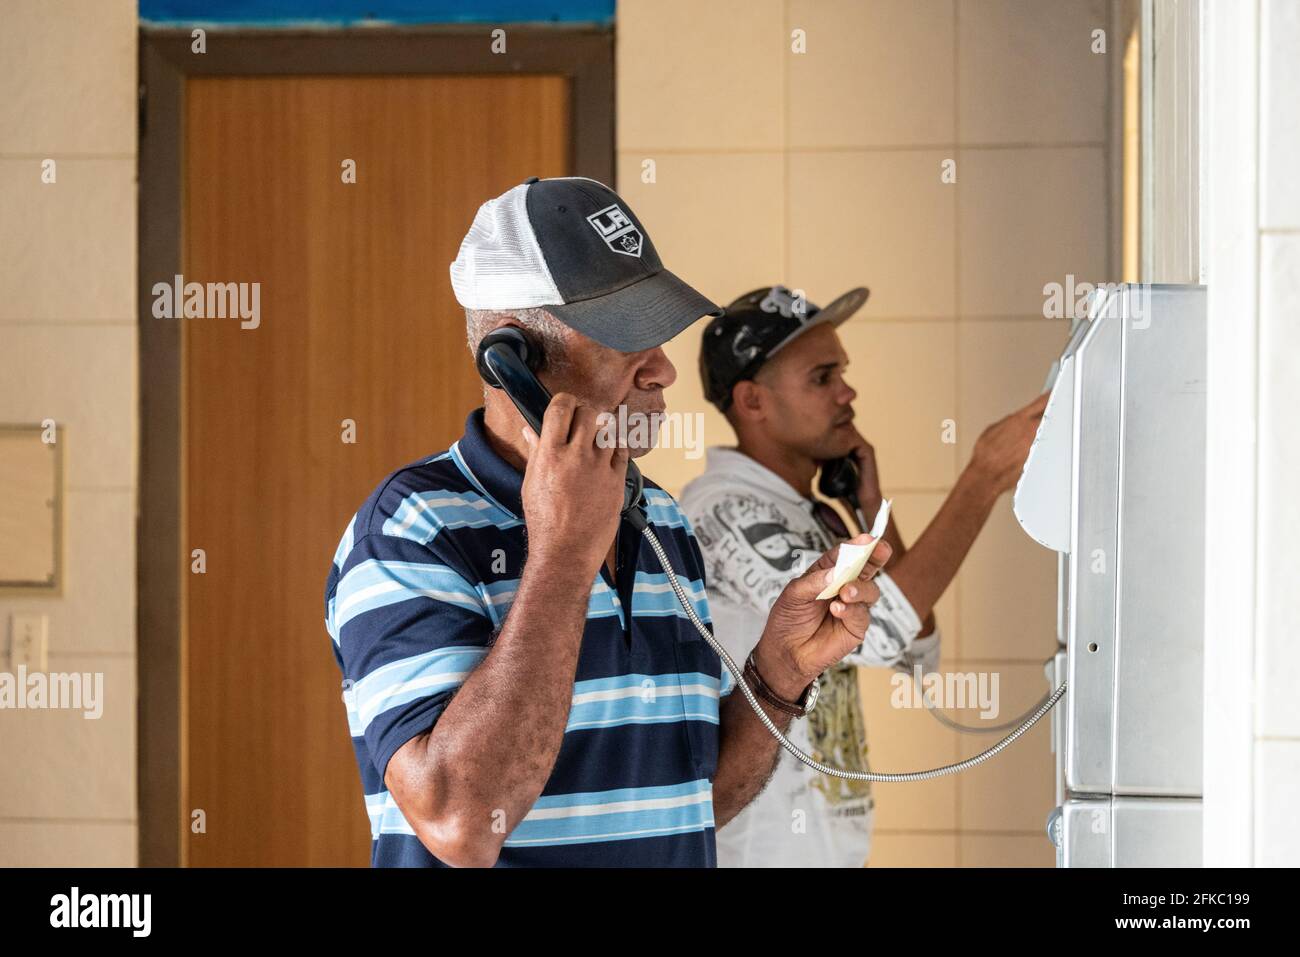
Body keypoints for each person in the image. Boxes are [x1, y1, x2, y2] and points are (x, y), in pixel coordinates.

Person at [324, 180, 892, 867]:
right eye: (628, 337)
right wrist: (564, 554)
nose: (663, 370)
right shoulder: (410, 529)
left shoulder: (662, 524)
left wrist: (782, 668)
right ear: (513, 361)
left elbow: (692, 800)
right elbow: (460, 820)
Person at [681, 284, 1047, 867]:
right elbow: (879, 637)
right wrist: (981, 480)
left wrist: (869, 503)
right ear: (753, 402)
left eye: (841, 373)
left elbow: (915, 643)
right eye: (822, 378)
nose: (847, 392)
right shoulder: (726, 510)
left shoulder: (806, 512)